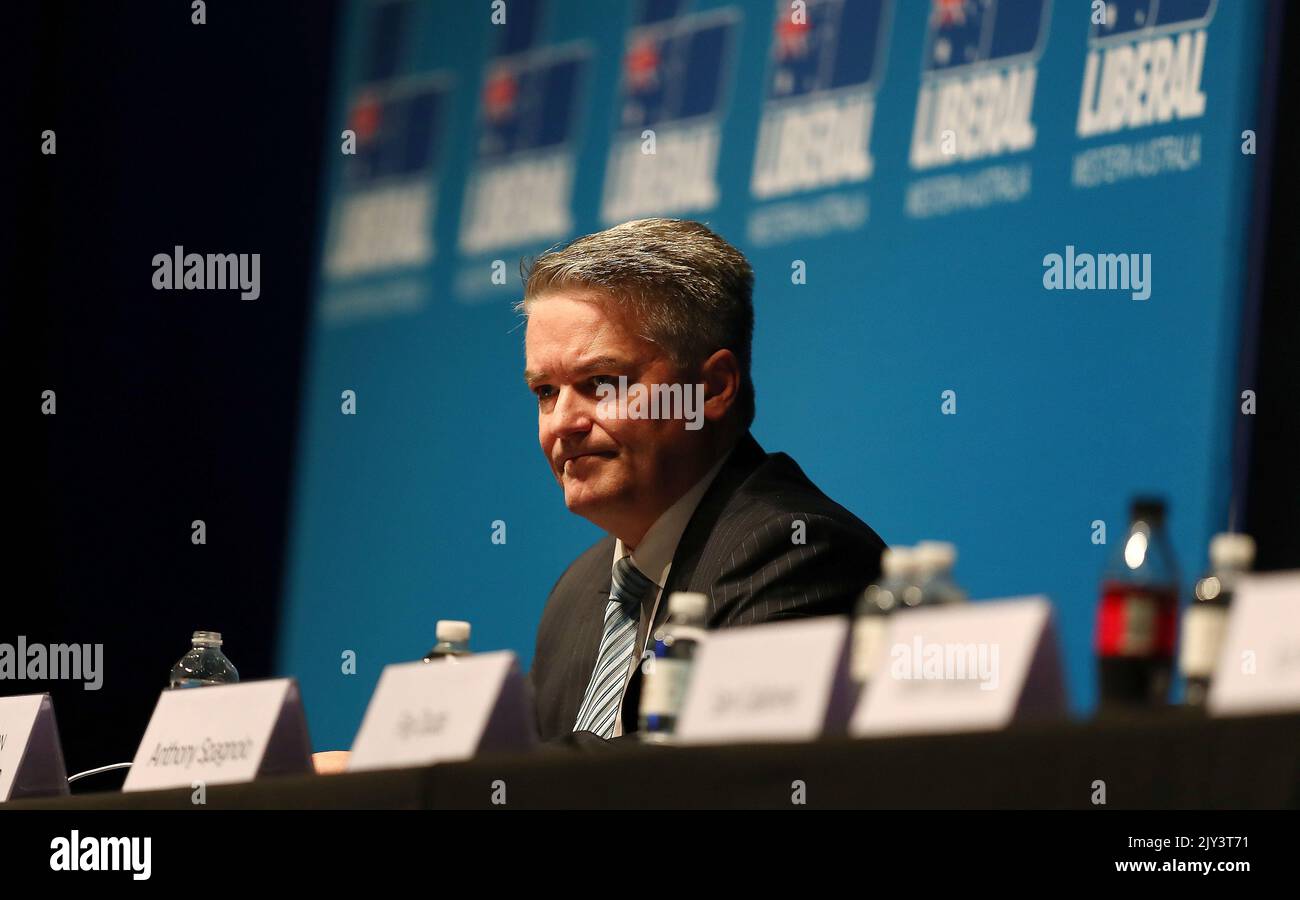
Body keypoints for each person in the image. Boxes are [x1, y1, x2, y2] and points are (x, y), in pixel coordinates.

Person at [522, 217, 886, 745]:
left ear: (711, 389)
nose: (562, 423)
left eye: (601, 383)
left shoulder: (797, 553)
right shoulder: (577, 592)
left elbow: (709, 778)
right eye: (546, 393)